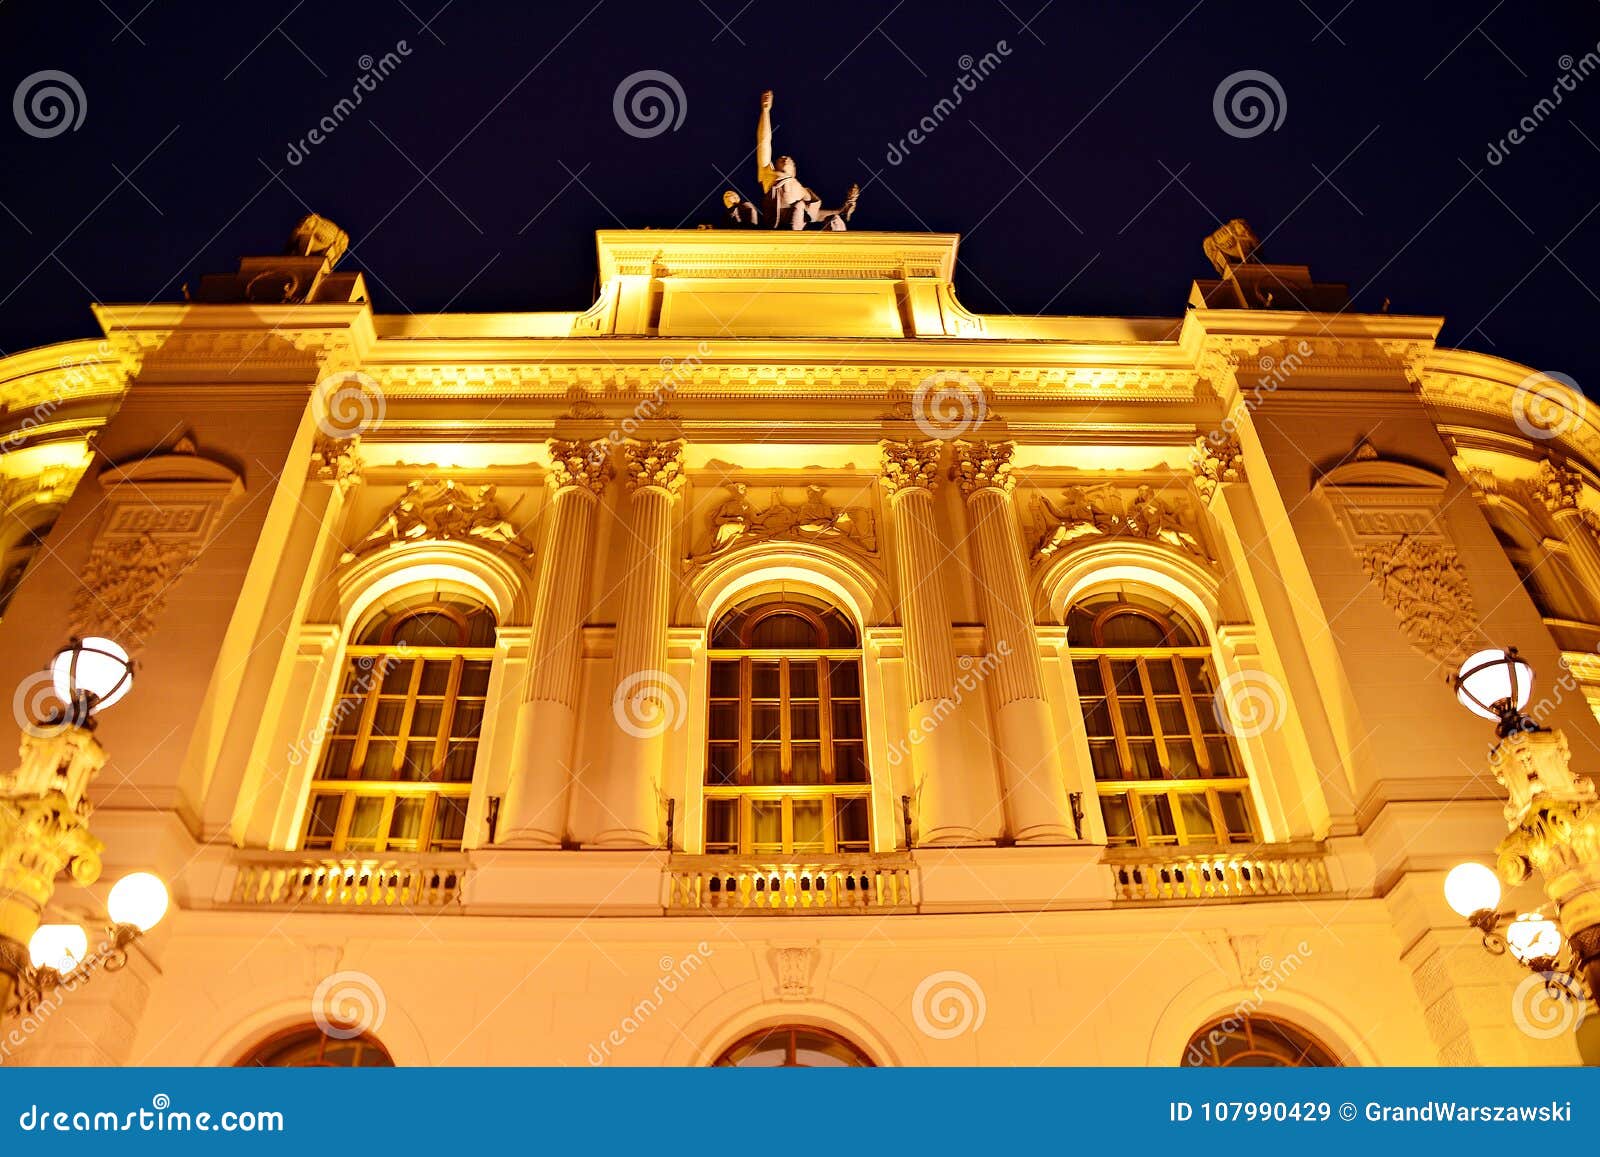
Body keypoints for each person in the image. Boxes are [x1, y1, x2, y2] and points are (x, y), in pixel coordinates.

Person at [756, 91, 859, 230]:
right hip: (776, 224)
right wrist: (765, 111)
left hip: (796, 225)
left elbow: (815, 215)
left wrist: (843, 209)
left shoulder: (803, 191)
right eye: (781, 159)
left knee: (834, 221)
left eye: (789, 159)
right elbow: (764, 142)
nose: (785, 158)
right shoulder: (769, 174)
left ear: (794, 171)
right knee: (799, 207)